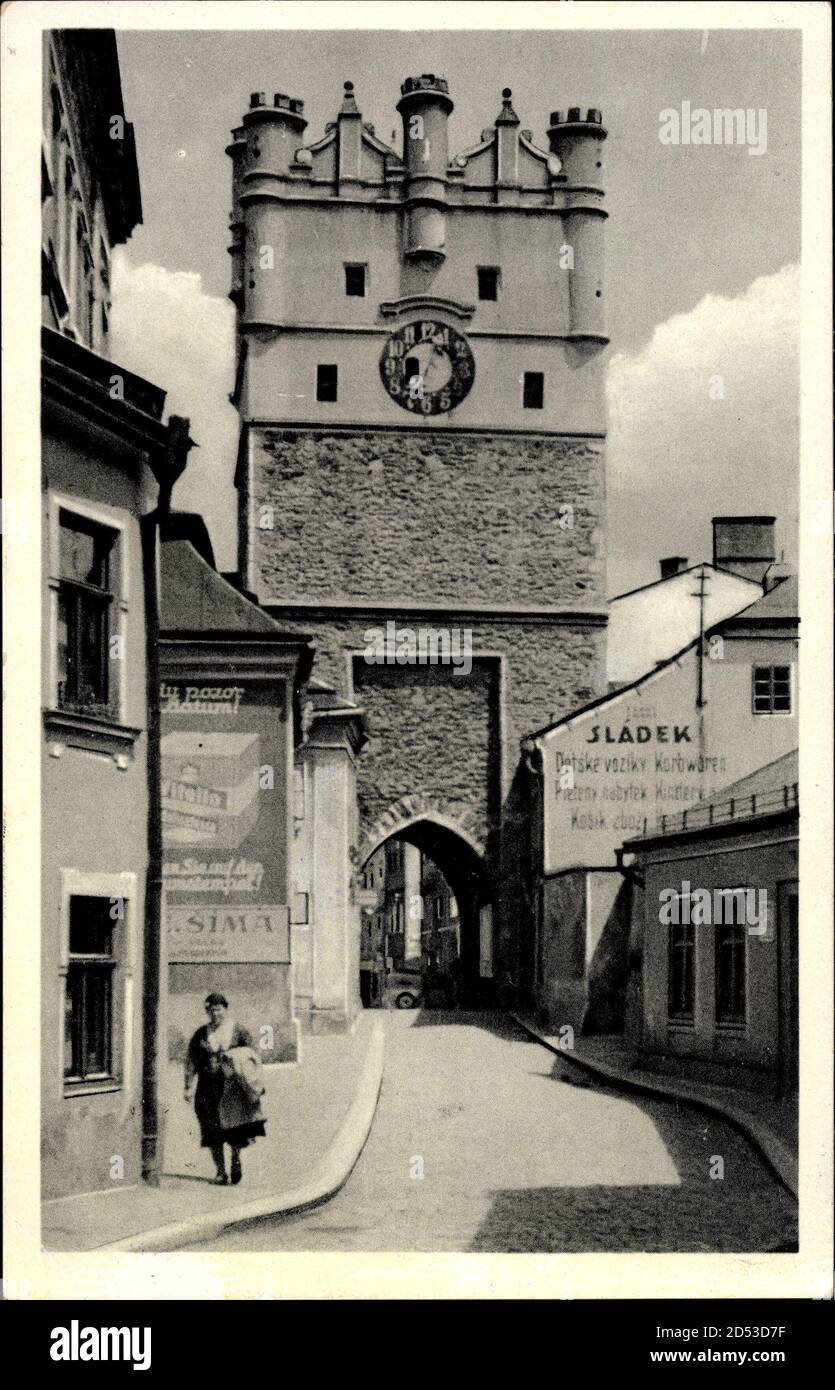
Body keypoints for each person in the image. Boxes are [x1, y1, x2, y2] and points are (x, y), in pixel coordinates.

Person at [184, 992, 266, 1185]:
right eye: (211, 1010)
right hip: (207, 1089)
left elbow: (253, 1056)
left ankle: (235, 1161)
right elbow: (191, 1061)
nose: (215, 1014)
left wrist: (251, 1078)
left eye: (218, 1010)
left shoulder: (238, 1031)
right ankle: (220, 1172)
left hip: (232, 1089)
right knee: (212, 1131)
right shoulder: (201, 1034)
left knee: (234, 1128)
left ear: (225, 1010)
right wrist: (188, 1086)